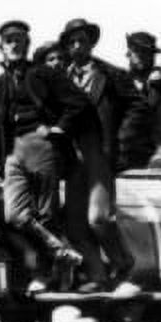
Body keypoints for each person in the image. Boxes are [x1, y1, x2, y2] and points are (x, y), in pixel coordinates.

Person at [0, 19, 89, 293]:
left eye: (20, 39)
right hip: (14, 152)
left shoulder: (43, 73)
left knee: (45, 214)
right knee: (14, 215)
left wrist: (58, 129)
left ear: (28, 45)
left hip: (42, 147)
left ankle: (45, 275)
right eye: (9, 40)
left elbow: (79, 103)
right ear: (1, 48)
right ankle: (59, 250)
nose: (15, 44)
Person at [56, 18, 139, 286]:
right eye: (72, 42)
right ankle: (98, 275)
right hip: (72, 157)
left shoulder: (113, 75)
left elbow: (137, 108)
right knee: (75, 226)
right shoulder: (59, 78)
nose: (78, 46)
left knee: (99, 219)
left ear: (91, 43)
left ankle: (123, 263)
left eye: (82, 40)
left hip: (98, 153)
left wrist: (122, 142)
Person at [117, 31, 161, 170]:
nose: (143, 57)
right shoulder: (119, 81)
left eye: (147, 53)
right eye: (138, 52)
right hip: (125, 154)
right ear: (129, 54)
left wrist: (156, 85)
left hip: (156, 154)